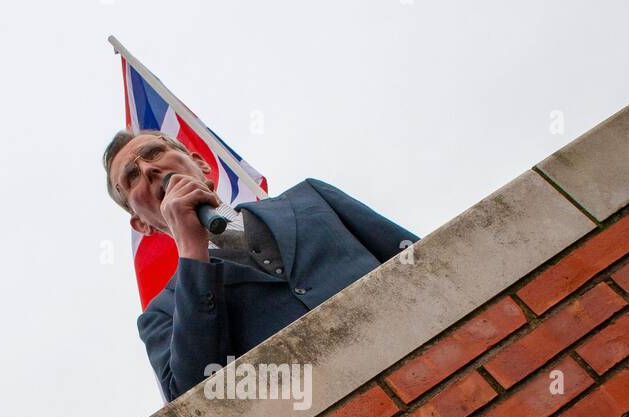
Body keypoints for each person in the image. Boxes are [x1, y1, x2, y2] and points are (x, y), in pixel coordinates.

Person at [103, 130, 419, 401]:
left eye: (155, 152)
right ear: (141, 224)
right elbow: (197, 399)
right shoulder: (162, 314)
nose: (147, 169)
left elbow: (417, 259)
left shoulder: (312, 197)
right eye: (131, 177)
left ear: (202, 166)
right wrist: (192, 248)